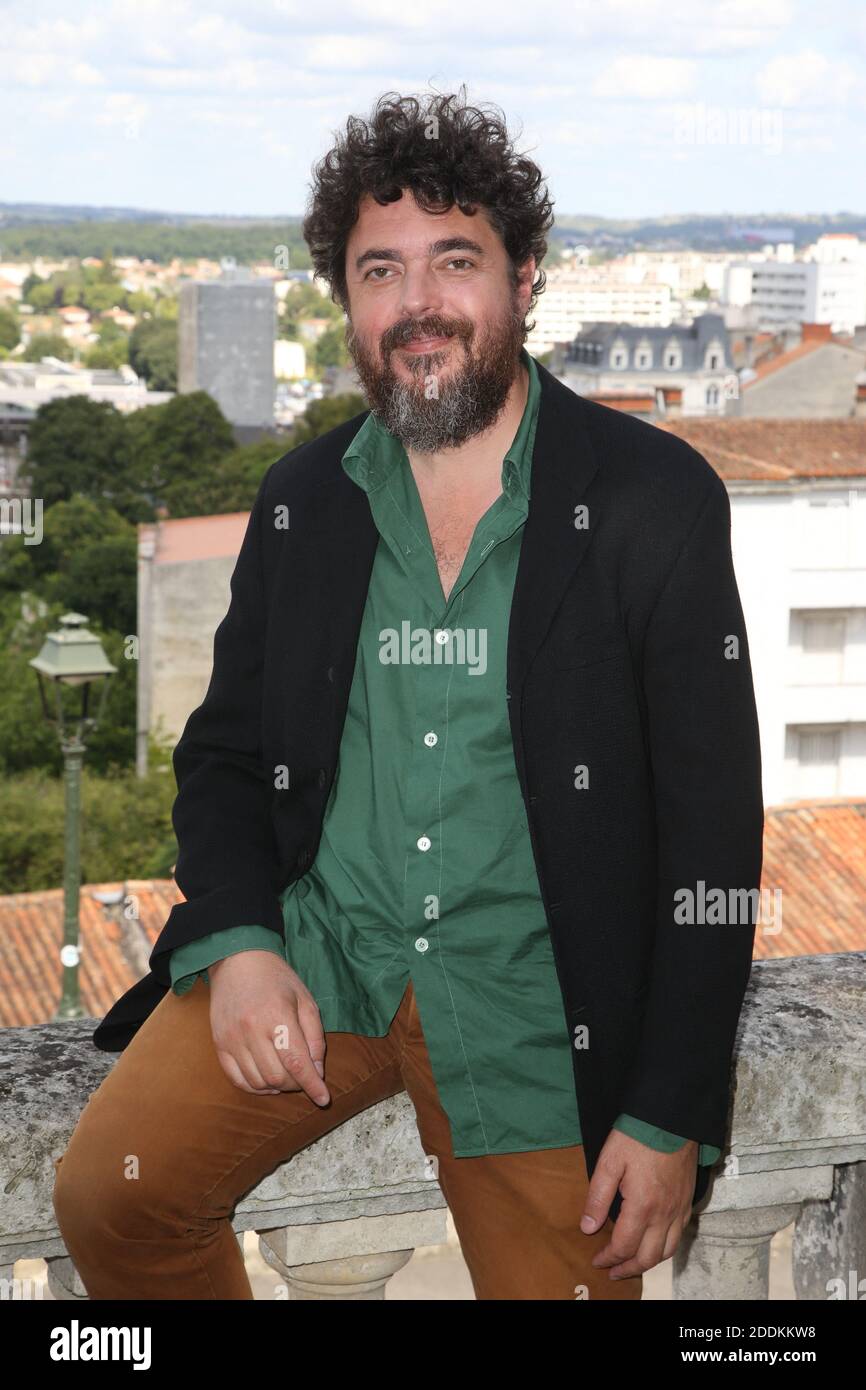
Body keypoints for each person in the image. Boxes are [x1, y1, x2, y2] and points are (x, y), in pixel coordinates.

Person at [53, 88, 764, 1301]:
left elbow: (711, 831)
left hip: (537, 1002)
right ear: (344, 301)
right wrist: (234, 942)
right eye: (378, 269)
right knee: (110, 1198)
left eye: (454, 260)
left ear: (523, 279)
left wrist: (667, 1109)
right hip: (329, 955)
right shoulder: (304, 501)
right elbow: (223, 755)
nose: (417, 303)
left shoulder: (653, 502)